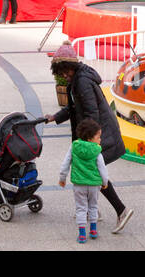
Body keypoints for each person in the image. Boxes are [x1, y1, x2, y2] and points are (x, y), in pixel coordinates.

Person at [46, 43, 133, 233]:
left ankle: (121, 210)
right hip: (96, 132)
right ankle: (92, 211)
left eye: (65, 71)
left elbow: (92, 112)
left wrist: (88, 142)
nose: (64, 75)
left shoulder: (82, 81)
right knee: (90, 173)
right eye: (61, 72)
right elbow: (74, 108)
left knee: (92, 173)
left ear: (71, 66)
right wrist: (55, 117)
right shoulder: (76, 80)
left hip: (100, 134)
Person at [58, 117, 109, 244]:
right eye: (98, 137)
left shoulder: (74, 147)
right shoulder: (97, 151)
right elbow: (102, 169)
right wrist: (105, 182)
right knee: (93, 206)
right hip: (94, 185)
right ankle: (93, 230)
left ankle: (81, 234)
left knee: (81, 208)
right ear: (90, 138)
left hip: (79, 184)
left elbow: (65, 164)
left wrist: (62, 178)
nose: (100, 140)